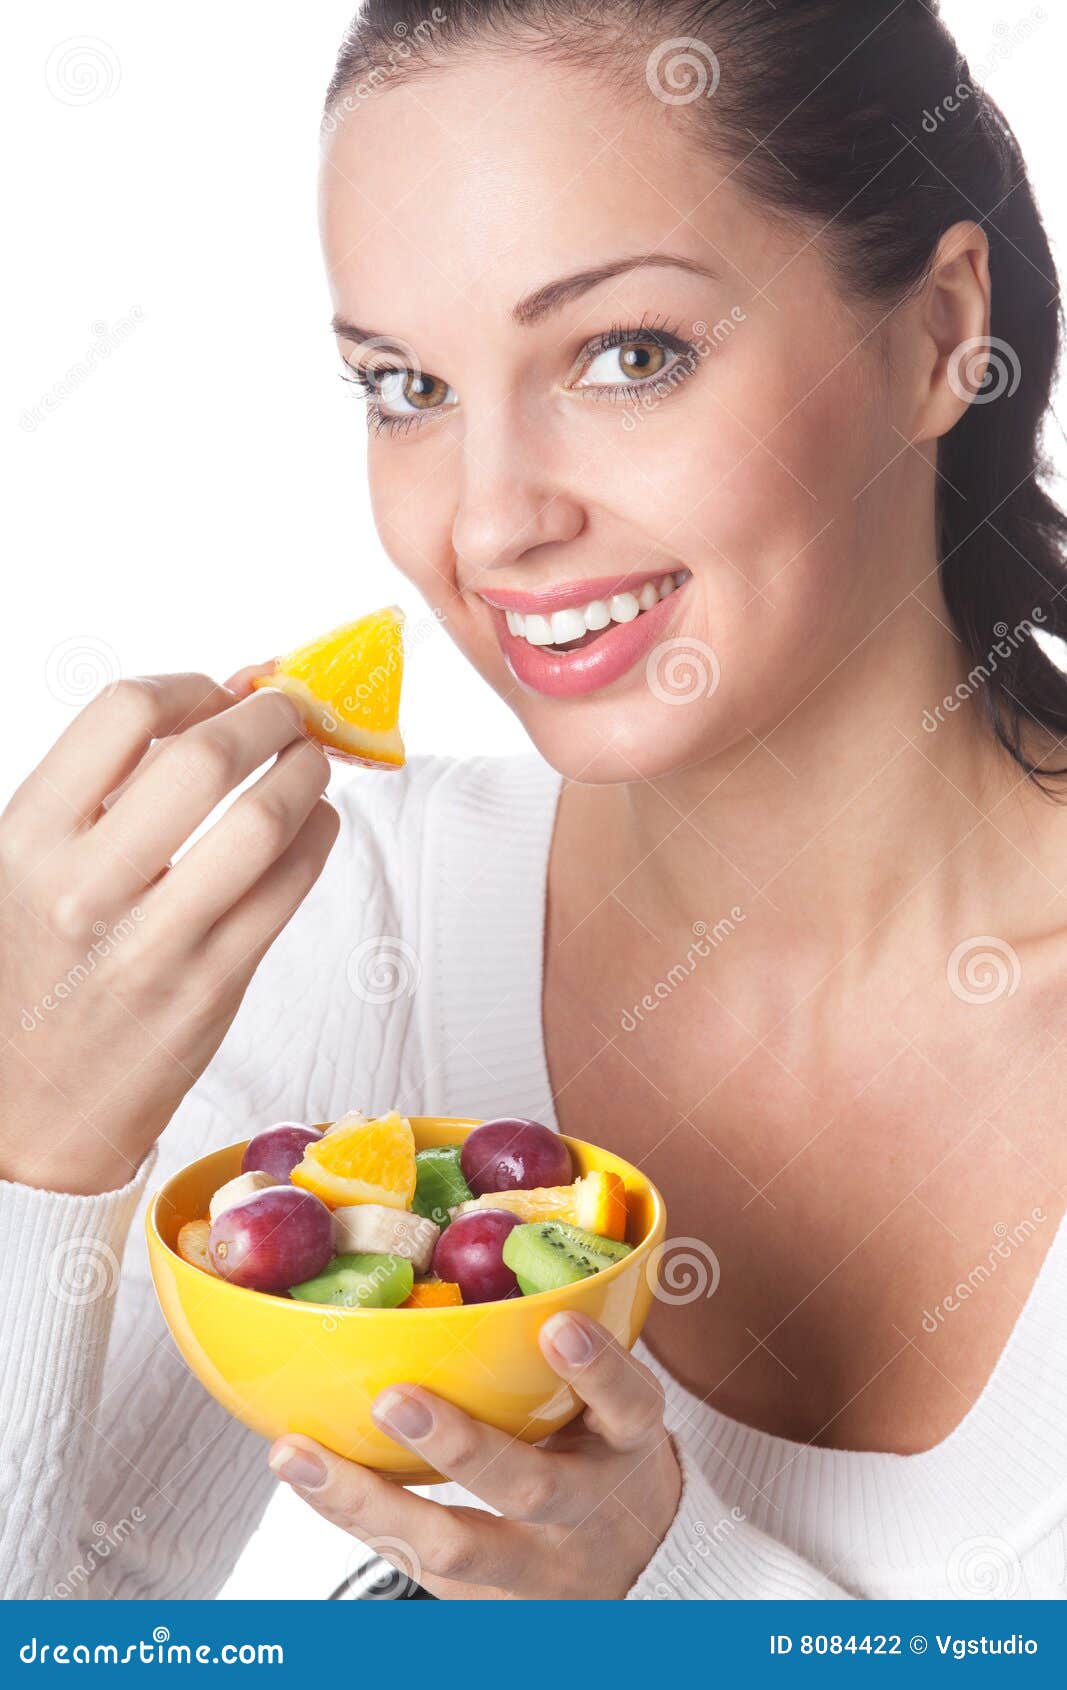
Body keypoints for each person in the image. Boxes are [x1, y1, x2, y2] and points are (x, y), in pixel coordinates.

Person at [3, 0, 1067, 1601]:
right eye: (406, 387)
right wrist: (35, 1154)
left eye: (627, 355)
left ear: (936, 335)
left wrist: (667, 1592)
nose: (489, 523)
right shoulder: (349, 926)